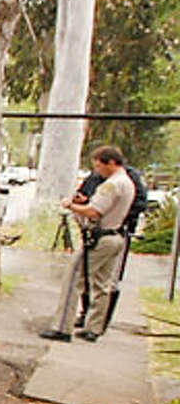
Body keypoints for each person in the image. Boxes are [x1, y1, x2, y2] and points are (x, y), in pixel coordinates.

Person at [39, 145, 136, 343]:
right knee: (102, 283)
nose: (97, 171)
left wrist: (72, 206)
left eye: (99, 166)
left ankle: (62, 327)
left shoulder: (111, 185)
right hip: (116, 236)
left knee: (74, 279)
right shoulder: (127, 183)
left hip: (100, 238)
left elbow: (94, 212)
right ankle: (94, 328)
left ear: (111, 163)